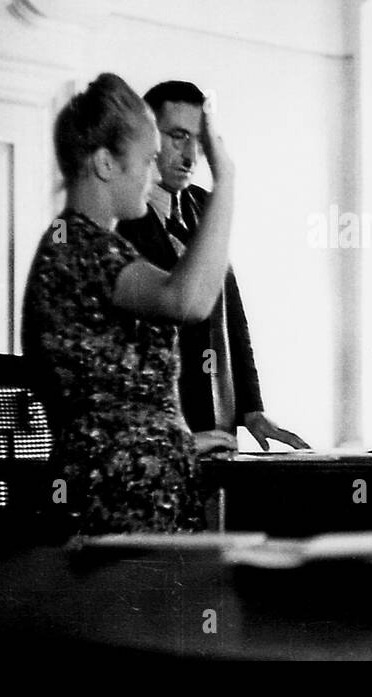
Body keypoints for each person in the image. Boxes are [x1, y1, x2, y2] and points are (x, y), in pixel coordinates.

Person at [21, 73, 238, 534]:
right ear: (104, 163)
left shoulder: (95, 244)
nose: (153, 171)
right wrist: (228, 180)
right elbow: (189, 300)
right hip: (115, 499)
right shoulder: (80, 246)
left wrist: (176, 441)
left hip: (132, 482)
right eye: (145, 160)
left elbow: (124, 404)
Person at [116, 81, 307, 451]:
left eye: (200, 142)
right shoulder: (122, 218)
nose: (190, 154)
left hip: (216, 417)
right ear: (147, 139)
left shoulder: (204, 205)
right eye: (177, 137)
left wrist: (252, 408)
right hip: (155, 429)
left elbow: (230, 310)